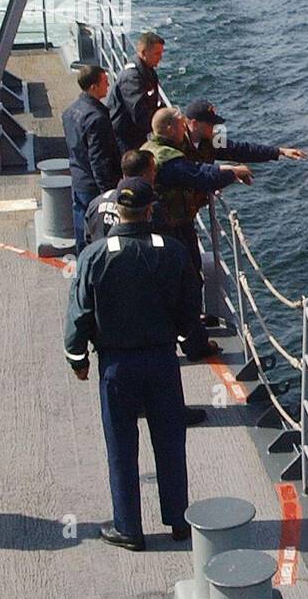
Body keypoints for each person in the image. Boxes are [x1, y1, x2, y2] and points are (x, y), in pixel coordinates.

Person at [63, 177, 200, 552]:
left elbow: (80, 313)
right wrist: (185, 336)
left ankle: (129, 527)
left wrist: (77, 358)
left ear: (116, 211)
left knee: (121, 445)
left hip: (116, 366)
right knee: (170, 441)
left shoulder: (94, 255)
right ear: (150, 208)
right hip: (162, 362)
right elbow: (191, 304)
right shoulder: (171, 251)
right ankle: (178, 520)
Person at [142, 107, 252, 360]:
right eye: (181, 127)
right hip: (172, 229)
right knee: (188, 285)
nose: (185, 131)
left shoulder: (149, 149)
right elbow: (199, 175)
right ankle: (195, 344)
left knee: (168, 286)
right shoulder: (169, 159)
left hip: (159, 226)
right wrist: (233, 172)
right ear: (170, 129)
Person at [63, 64, 121, 251]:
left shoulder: (70, 112)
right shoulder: (97, 118)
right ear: (94, 87)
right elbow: (99, 159)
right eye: (104, 81)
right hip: (93, 186)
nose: (108, 84)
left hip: (78, 177)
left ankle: (83, 265)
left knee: (81, 229)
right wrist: (109, 193)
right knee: (99, 234)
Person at [182, 98, 307, 165]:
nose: (215, 127)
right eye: (211, 124)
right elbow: (192, 174)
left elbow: (240, 150)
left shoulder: (211, 140)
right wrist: (229, 173)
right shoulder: (176, 143)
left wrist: (279, 151)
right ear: (195, 124)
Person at [107, 30, 166, 152]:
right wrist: (163, 127)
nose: (160, 57)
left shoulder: (148, 71)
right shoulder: (131, 78)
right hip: (125, 136)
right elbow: (139, 113)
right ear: (144, 53)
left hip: (136, 133)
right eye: (157, 53)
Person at [84, 149, 156, 246]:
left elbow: (88, 238)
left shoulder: (96, 203)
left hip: (101, 256)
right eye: (153, 170)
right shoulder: (149, 208)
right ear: (145, 175)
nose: (155, 174)